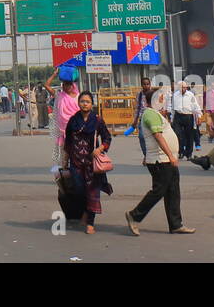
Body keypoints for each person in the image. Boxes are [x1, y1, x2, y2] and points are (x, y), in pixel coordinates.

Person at [125, 91, 194, 235]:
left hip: (166, 159)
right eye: (161, 98)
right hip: (160, 160)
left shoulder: (156, 114)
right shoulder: (150, 114)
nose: (163, 101)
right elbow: (157, 136)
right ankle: (134, 215)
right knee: (159, 190)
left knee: (173, 191)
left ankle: (176, 224)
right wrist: (171, 155)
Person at [63, 92, 113, 234]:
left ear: (92, 104)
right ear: (78, 103)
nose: (85, 104)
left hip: (92, 163)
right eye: (82, 101)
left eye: (88, 101)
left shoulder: (97, 120)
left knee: (93, 192)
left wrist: (100, 148)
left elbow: (107, 138)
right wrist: (65, 160)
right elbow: (68, 142)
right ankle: (85, 210)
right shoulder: (73, 120)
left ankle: (90, 222)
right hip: (76, 162)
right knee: (79, 190)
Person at [47, 73, 81, 168]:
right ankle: (65, 177)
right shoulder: (59, 96)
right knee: (64, 158)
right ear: (63, 86)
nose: (67, 87)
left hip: (76, 131)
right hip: (63, 132)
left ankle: (77, 176)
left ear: (73, 85)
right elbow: (47, 85)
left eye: (69, 84)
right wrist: (54, 74)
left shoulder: (79, 97)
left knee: (77, 156)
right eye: (65, 84)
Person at [170, 81, 200, 160]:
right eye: (181, 87)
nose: (183, 89)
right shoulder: (175, 95)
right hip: (178, 116)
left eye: (184, 87)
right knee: (178, 135)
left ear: (186, 88)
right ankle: (180, 152)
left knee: (189, 136)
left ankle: (189, 154)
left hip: (188, 116)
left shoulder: (190, 95)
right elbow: (172, 107)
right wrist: (171, 118)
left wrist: (199, 116)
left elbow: (195, 105)